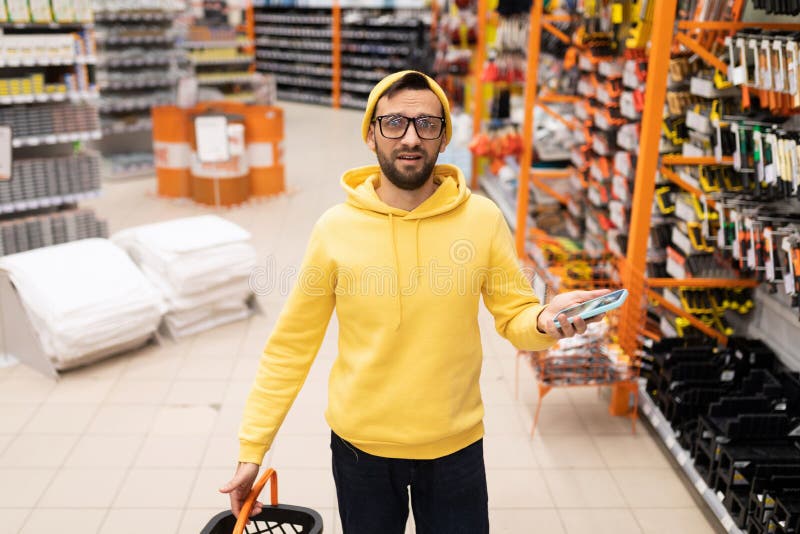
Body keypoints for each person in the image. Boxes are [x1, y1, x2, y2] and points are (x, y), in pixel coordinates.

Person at [220, 70, 609, 533]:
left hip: (455, 448)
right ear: (371, 134)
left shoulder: (482, 219)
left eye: (427, 124)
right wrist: (252, 448)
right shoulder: (335, 229)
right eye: (394, 123)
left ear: (444, 137)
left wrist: (545, 320)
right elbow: (291, 347)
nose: (410, 138)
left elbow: (516, 316)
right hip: (361, 450)